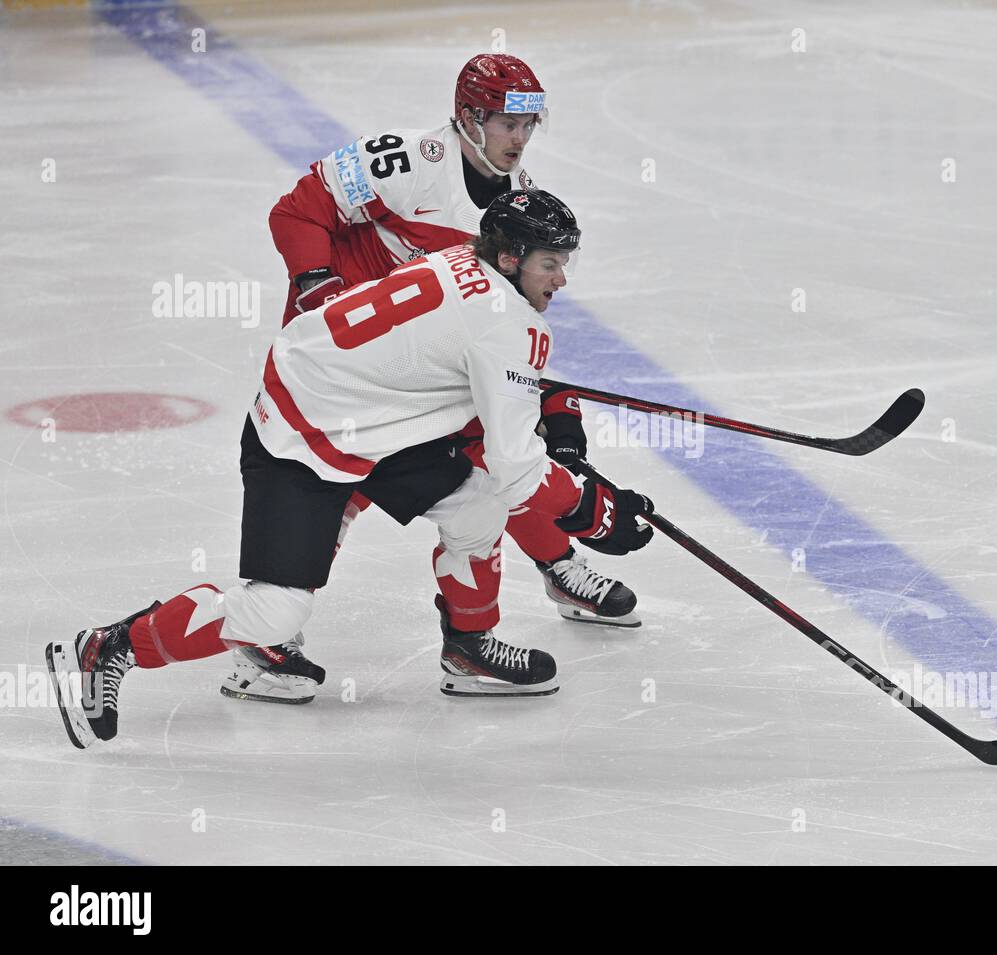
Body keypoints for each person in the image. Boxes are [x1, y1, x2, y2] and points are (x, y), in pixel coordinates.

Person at [46, 191, 655, 749]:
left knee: (477, 502)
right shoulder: (509, 324)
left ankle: (468, 649)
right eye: (550, 262)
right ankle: (113, 645)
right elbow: (519, 466)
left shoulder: (458, 261)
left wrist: (568, 462)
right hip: (301, 435)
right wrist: (597, 512)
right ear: (509, 256)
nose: (562, 277)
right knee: (275, 611)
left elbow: (494, 402)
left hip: (360, 411)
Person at [233, 52, 642, 705]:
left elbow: (507, 325)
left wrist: (555, 413)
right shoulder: (408, 161)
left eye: (529, 123)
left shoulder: (516, 201)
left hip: (422, 368)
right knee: (342, 489)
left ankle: (540, 579)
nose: (520, 138)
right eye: (508, 122)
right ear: (468, 116)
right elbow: (296, 211)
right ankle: (265, 633)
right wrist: (318, 286)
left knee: (493, 467)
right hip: (351, 367)